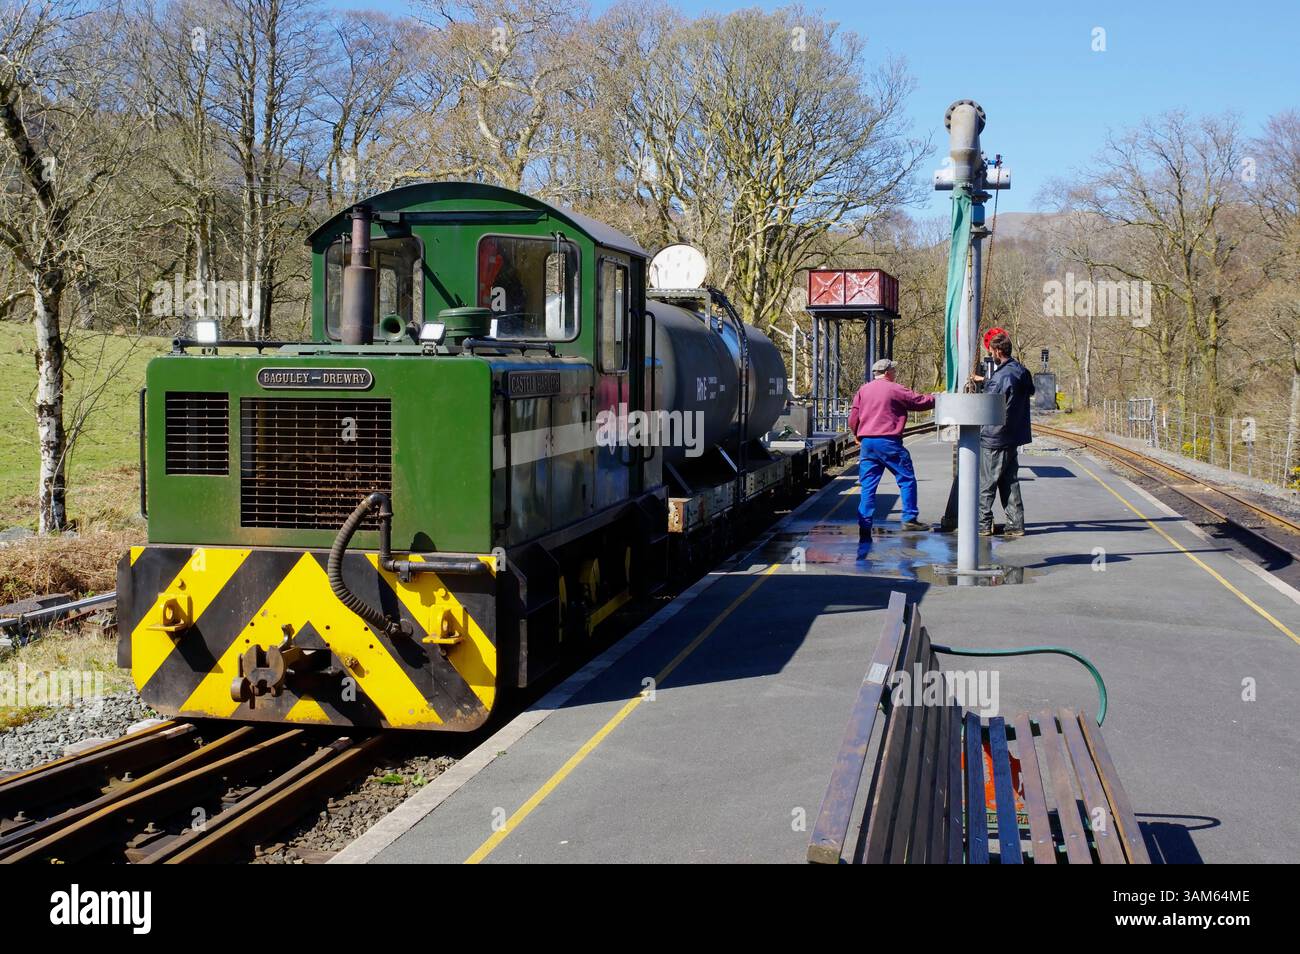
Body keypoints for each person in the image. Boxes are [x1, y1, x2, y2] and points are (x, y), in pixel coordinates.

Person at [847, 358, 936, 547]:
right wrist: (938, 398)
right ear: (887, 372)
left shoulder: (863, 390)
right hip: (888, 441)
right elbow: (919, 401)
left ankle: (865, 524)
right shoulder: (894, 388)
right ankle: (909, 518)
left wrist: (857, 434)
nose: (895, 373)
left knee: (868, 486)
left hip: (868, 443)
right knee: (906, 478)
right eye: (893, 370)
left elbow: (853, 417)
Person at [974, 331, 1035, 537]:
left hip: (994, 436)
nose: (991, 354)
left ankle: (983, 524)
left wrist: (982, 385)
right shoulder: (1022, 371)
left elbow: (988, 404)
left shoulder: (1000, 377)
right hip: (1013, 436)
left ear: (998, 351)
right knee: (1010, 481)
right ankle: (1015, 524)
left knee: (986, 483)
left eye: (992, 351)